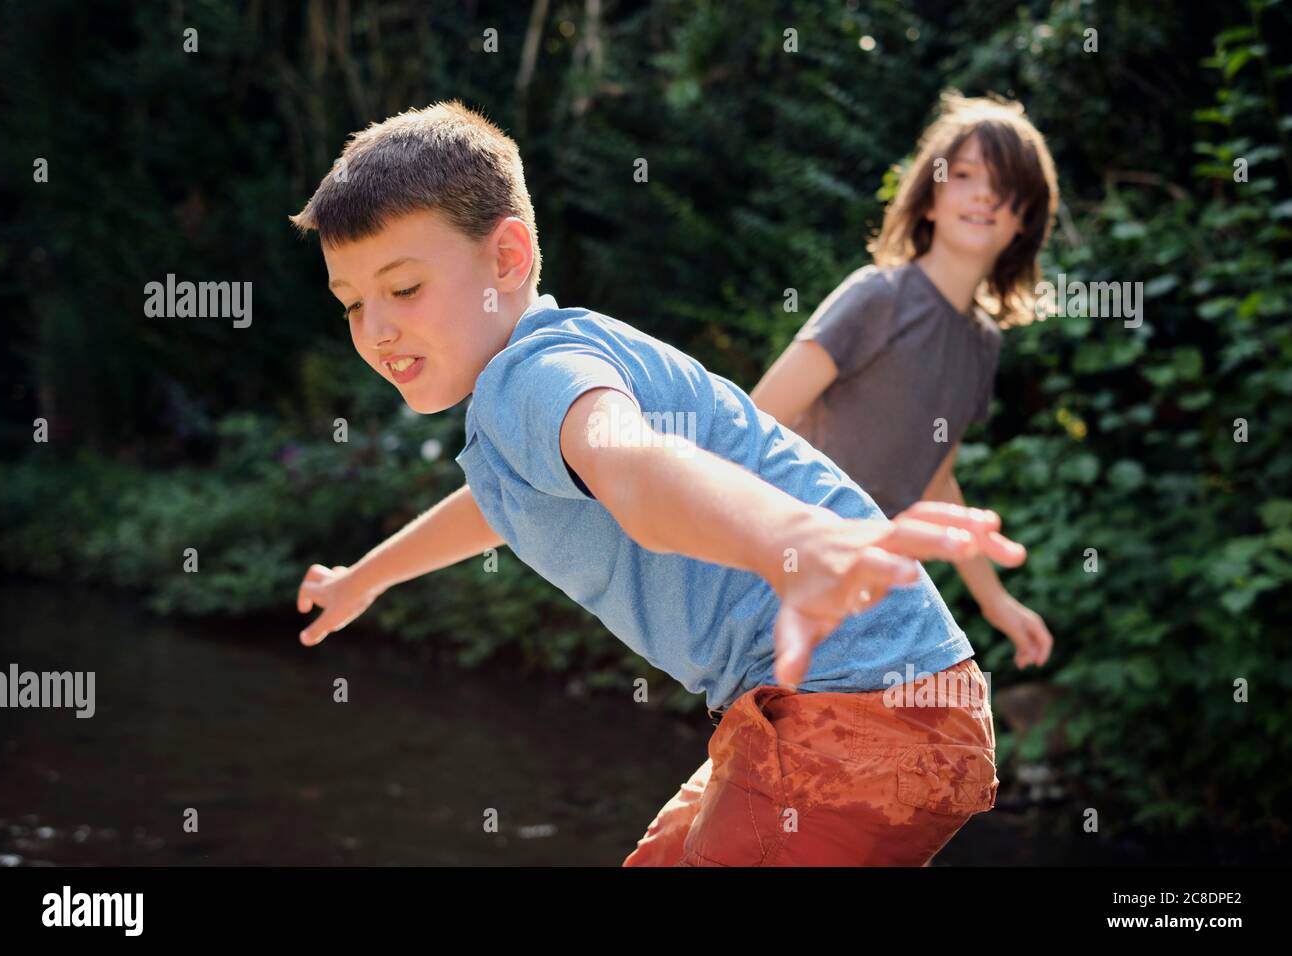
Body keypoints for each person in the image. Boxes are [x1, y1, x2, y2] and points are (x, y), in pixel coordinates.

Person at [291, 102, 1025, 866]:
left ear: (508, 257)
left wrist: (793, 541)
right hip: (872, 703)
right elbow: (497, 507)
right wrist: (363, 580)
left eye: (403, 288)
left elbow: (633, 467)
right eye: (352, 304)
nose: (375, 328)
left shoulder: (536, 375)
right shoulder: (538, 397)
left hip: (854, 705)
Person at [752, 91, 1057, 672]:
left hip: (867, 594)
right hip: (785, 574)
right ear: (930, 199)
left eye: (1004, 184)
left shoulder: (983, 344)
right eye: (963, 174)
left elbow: (935, 475)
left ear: (1023, 220)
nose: (984, 194)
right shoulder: (878, 297)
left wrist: (996, 601)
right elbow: (753, 420)